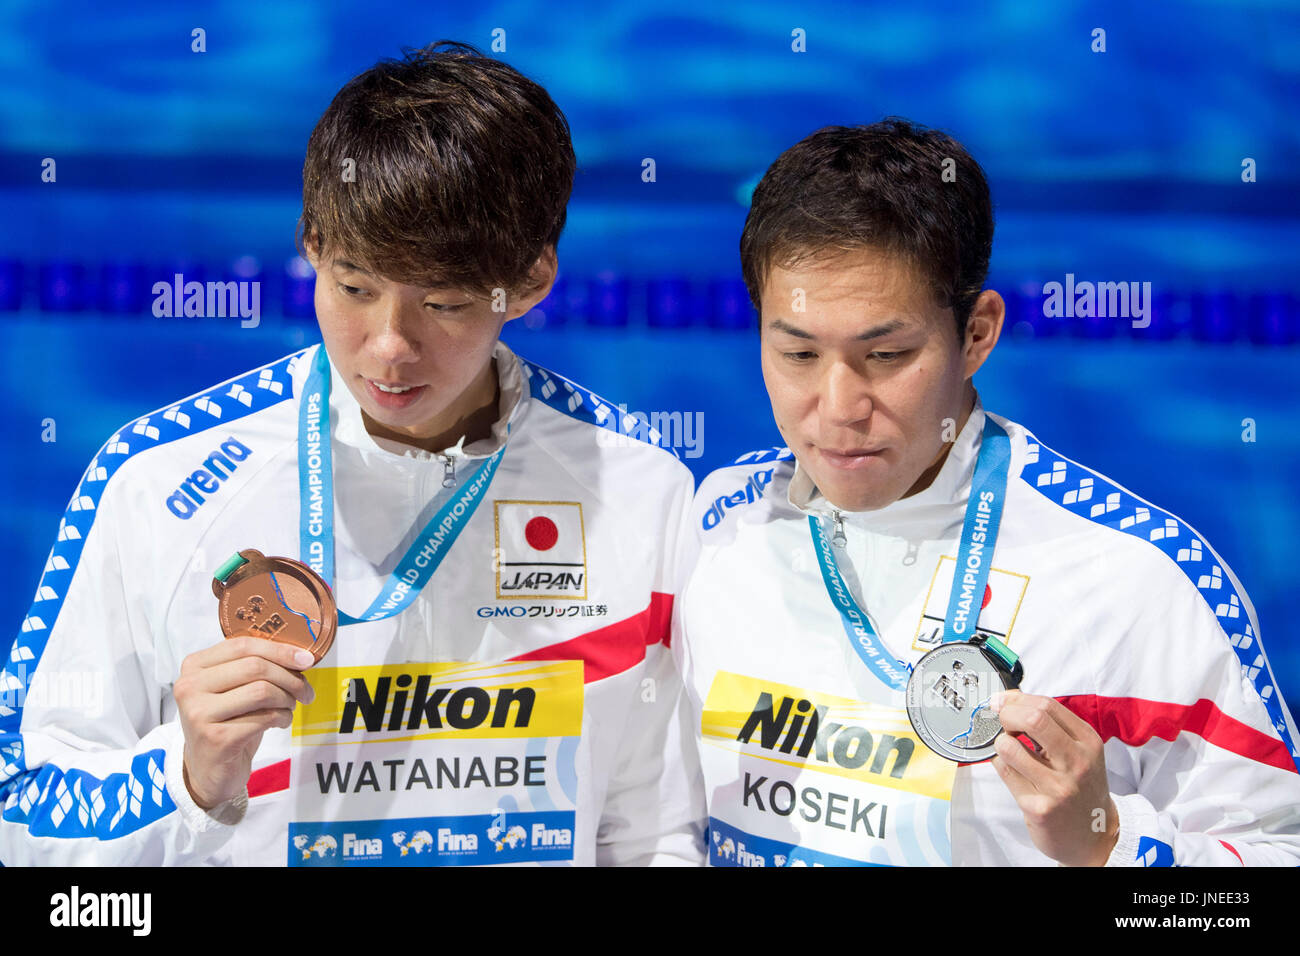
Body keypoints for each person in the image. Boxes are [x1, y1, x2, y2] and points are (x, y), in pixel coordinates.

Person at [0, 42, 704, 866]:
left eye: (441, 302)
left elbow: (652, 829)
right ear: (310, 247)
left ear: (532, 278)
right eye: (354, 286)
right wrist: (186, 776)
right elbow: (25, 808)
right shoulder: (160, 481)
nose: (387, 349)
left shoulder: (638, 486)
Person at [676, 118, 1300, 866]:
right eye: (799, 353)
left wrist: (1112, 846)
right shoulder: (717, 526)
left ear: (977, 333)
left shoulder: (1136, 581)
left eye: (886, 354)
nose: (838, 406)